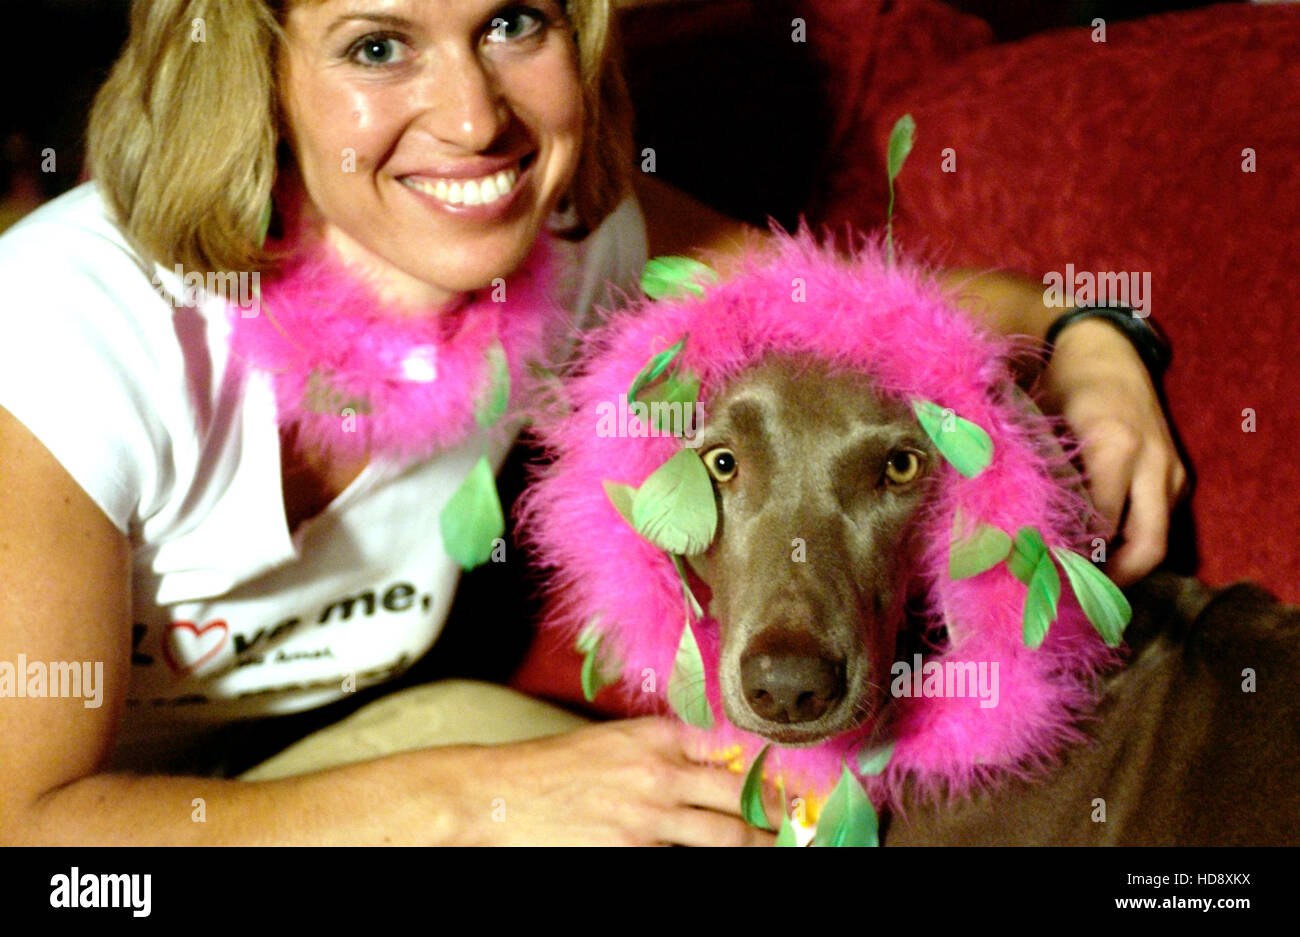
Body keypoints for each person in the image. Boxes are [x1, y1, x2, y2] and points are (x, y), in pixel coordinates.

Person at [0, 0, 1185, 846]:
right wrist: (492, 803)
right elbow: (29, 826)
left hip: (310, 754)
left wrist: (1094, 338)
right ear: (257, 78)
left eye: (513, 24)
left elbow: (900, 314)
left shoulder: (568, 244)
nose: (474, 121)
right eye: (377, 46)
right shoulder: (64, 333)